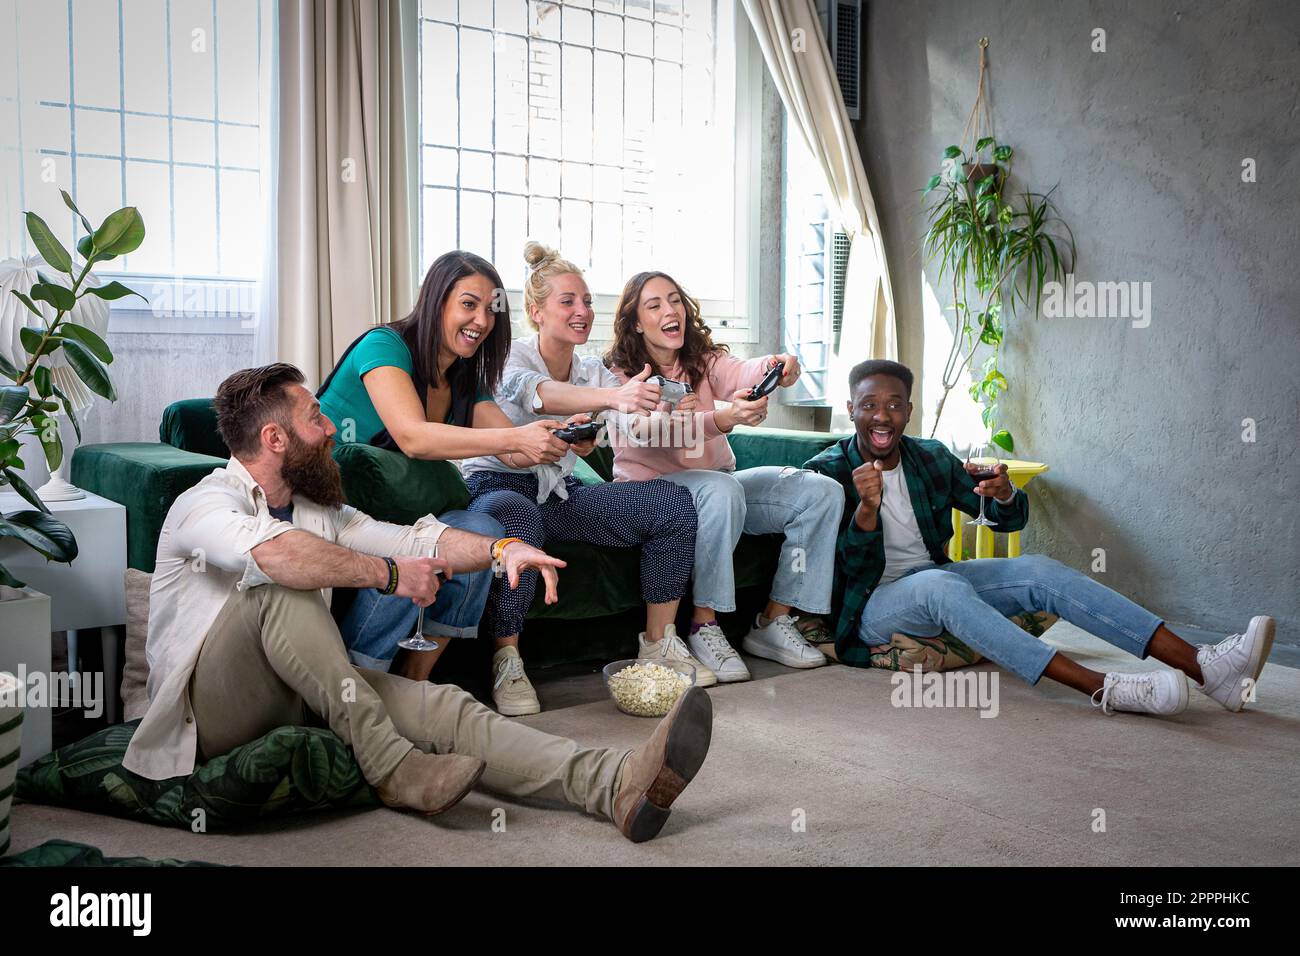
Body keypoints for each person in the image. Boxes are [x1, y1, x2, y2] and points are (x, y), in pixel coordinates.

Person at [123, 363, 713, 843]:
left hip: (302, 689)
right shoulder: (205, 503)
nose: (331, 428)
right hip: (207, 715)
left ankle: (614, 784)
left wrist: (503, 548)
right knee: (279, 584)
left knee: (448, 711)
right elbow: (279, 558)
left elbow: (413, 540)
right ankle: (390, 766)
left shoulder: (317, 509)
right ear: (274, 439)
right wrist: (385, 575)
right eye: (316, 417)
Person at [803, 358, 1275, 715]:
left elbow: (1006, 521)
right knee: (941, 585)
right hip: (871, 606)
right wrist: (866, 509)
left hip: (934, 578)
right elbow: (842, 571)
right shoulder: (826, 475)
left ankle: (1208, 667)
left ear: (909, 410)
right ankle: (1105, 687)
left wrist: (1003, 494)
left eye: (893, 405)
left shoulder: (929, 458)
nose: (881, 417)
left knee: (1040, 570)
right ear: (851, 409)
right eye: (868, 406)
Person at [317, 250, 575, 705]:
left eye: (491, 309)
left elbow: (512, 448)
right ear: (437, 301)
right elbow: (414, 438)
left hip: (403, 506)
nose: (481, 320)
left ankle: (415, 690)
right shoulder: (385, 346)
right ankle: (357, 692)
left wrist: (555, 439)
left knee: (482, 533)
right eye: (468, 304)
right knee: (413, 553)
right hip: (338, 503)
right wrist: (516, 438)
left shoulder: (461, 375)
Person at [459, 242, 705, 710]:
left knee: (672, 503)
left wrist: (667, 402)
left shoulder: (591, 367)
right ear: (536, 311)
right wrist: (611, 401)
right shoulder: (507, 356)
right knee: (520, 525)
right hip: (498, 489)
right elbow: (540, 396)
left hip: (559, 494)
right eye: (568, 301)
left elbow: (629, 410)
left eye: (588, 301)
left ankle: (657, 644)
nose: (582, 311)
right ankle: (507, 662)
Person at [604, 271, 846, 683]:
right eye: (655, 305)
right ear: (635, 322)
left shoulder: (701, 360)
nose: (670, 310)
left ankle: (774, 621)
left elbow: (742, 371)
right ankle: (704, 624)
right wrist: (722, 418)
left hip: (720, 489)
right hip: (650, 496)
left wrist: (776, 365)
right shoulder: (620, 376)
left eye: (675, 300)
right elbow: (645, 431)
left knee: (820, 492)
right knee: (719, 488)